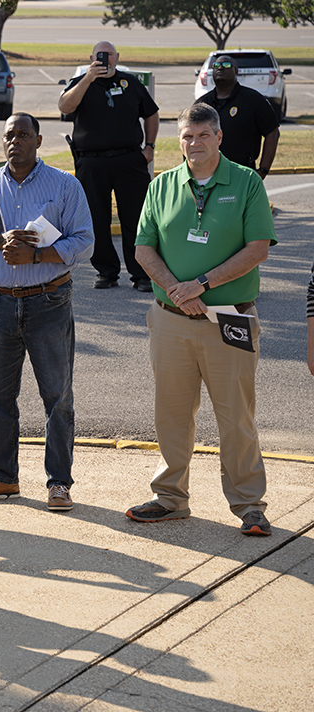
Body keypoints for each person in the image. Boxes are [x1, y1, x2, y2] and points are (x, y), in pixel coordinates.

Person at [126, 103, 276, 536]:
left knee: (237, 417)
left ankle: (249, 505)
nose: (195, 144)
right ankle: (170, 498)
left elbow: (257, 249)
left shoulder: (246, 183)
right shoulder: (163, 185)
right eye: (187, 137)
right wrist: (177, 290)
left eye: (203, 135)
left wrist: (201, 285)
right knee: (171, 413)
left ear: (219, 137)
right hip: (171, 319)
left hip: (228, 318)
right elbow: (143, 249)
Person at [0, 113, 95, 512]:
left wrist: (38, 254)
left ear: (39, 140)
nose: (16, 141)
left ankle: (59, 484)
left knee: (57, 395)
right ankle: (3, 478)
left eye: (24, 134)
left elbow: (85, 242)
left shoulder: (64, 185)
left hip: (48, 300)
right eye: (10, 135)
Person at [59, 41, 159, 292]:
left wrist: (150, 147)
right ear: (91, 57)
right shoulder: (80, 82)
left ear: (117, 57)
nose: (106, 60)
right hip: (92, 162)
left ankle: (142, 274)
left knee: (136, 218)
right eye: (100, 56)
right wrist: (88, 79)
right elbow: (65, 107)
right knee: (95, 219)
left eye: (110, 55)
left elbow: (151, 113)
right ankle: (106, 271)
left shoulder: (130, 83)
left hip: (130, 161)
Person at [195, 54, 280, 178]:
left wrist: (263, 170)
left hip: (242, 174)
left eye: (226, 65)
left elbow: (272, 132)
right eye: (216, 65)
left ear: (236, 71)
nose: (220, 68)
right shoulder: (202, 104)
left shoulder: (253, 100)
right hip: (207, 175)